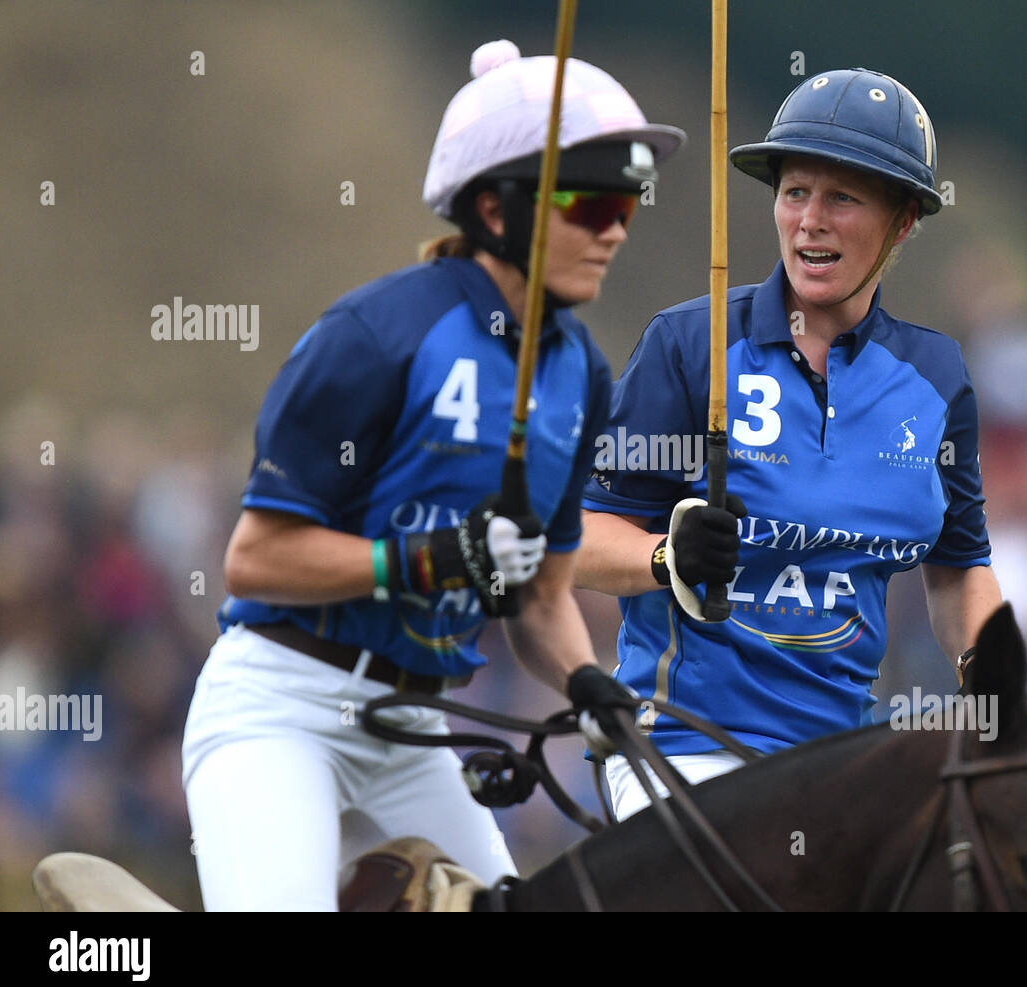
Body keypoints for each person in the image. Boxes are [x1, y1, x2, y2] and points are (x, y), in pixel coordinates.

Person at [181, 39, 683, 910]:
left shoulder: (582, 373)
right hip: (280, 708)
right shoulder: (376, 333)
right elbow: (254, 560)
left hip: (412, 729)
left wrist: (590, 685)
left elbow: (540, 597)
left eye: (626, 205)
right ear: (494, 207)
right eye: (587, 202)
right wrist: (418, 560)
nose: (612, 230)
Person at [573, 68, 1003, 819]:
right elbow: (580, 539)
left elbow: (959, 573)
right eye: (796, 191)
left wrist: (994, 670)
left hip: (841, 764)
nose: (810, 220)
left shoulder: (937, 380)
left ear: (902, 223)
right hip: (680, 745)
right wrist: (665, 558)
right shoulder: (689, 345)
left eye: (843, 198)